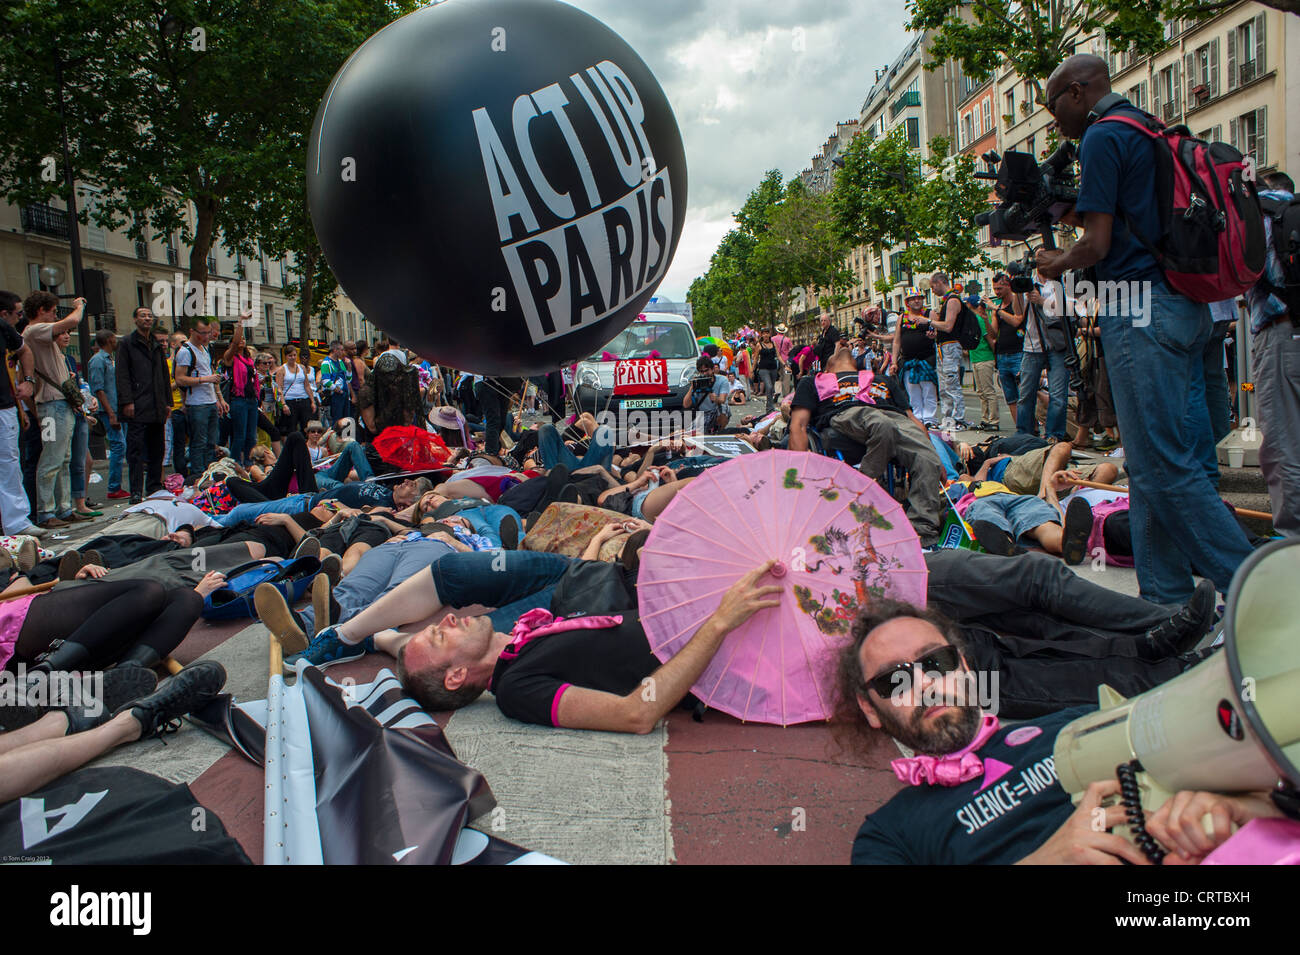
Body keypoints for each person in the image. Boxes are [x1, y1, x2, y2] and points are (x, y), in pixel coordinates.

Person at [1036, 53, 1254, 602]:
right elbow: (1133, 220)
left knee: (1162, 468)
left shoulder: (1102, 136)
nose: (1053, 120)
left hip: (1138, 307)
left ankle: (1262, 596)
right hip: (1183, 306)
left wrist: (1055, 262)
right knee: (1155, 466)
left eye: (1053, 106)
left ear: (1078, 91)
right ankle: (1166, 603)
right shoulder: (1146, 127)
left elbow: (1097, 244)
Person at [839, 599, 1277, 864]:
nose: (926, 684)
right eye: (894, 680)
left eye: (937, 662)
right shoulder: (890, 834)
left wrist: (1232, 811)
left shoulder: (1078, 722)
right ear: (869, 709)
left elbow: (1274, 795)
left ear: (966, 667)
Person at [290, 550, 782, 731]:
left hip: (583, 579)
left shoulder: (512, 646)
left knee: (454, 570)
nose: (446, 621)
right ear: (458, 676)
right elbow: (636, 714)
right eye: (439, 634)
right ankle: (378, 637)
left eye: (436, 627)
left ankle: (357, 634)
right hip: (665, 614)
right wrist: (719, 622)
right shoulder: (517, 689)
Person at [789, 342, 946, 546]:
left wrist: (935, 457)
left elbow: (913, 420)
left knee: (927, 460)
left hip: (894, 417)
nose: (842, 348)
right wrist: (798, 476)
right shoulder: (814, 381)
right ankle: (861, 489)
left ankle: (922, 533)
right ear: (827, 368)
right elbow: (798, 425)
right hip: (847, 413)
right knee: (882, 425)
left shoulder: (882, 379)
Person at [1248, 171, 1299, 536]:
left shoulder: (1257, 217)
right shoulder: (1293, 211)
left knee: (1284, 446)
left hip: (1281, 333)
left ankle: (1292, 547)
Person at [21, 292, 86, 528]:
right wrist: (79, 305)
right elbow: (73, 321)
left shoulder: (38, 335)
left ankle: (64, 508)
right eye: (53, 311)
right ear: (41, 310)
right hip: (50, 404)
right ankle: (46, 512)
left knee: (64, 458)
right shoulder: (34, 331)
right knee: (51, 459)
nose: (55, 316)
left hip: (57, 404)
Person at [116, 306, 172, 503]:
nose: (147, 319)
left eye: (149, 316)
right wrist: (127, 401)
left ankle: (154, 486)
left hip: (157, 404)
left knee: (158, 448)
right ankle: (136, 490)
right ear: (135, 319)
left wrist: (167, 401)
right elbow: (122, 374)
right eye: (143, 316)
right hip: (138, 404)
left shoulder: (156, 344)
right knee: (136, 451)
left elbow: (164, 375)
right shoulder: (126, 343)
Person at [0, 291, 42, 538]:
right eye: (18, 314)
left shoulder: (3, 328)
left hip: (3, 406)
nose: (20, 318)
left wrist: (28, 381)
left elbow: (25, 351)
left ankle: (16, 523)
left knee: (9, 463)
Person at [173, 317, 226, 482]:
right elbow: (180, 379)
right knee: (199, 442)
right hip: (196, 403)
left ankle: (210, 473)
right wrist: (205, 380)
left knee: (211, 442)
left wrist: (218, 398)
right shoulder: (185, 351)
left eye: (208, 332)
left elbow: (211, 374)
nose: (206, 336)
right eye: (202, 333)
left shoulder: (205, 348)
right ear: (192, 331)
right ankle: (197, 476)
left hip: (209, 401)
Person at [58, 331, 100, 521]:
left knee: (83, 461)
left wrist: (89, 405)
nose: (67, 336)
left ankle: (80, 503)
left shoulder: (69, 359)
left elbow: (78, 388)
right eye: (62, 333)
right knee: (64, 462)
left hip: (78, 414)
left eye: (68, 333)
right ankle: (64, 506)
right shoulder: (50, 359)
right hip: (62, 414)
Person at [888, 288, 939, 426]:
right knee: (912, 392)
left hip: (926, 360)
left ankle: (930, 420)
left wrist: (934, 336)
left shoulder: (930, 314)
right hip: (908, 361)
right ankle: (918, 420)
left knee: (929, 390)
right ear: (908, 302)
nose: (917, 301)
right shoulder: (902, 318)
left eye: (919, 298)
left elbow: (940, 333)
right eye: (913, 299)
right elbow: (897, 341)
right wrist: (894, 362)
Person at [88, 329, 128, 500]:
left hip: (117, 408)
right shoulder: (98, 360)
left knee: (121, 445)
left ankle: (116, 486)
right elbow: (99, 389)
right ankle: (113, 488)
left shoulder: (110, 359)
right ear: (110, 340)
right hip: (109, 410)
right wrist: (111, 413)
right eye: (114, 338)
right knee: (118, 445)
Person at [927, 273, 968, 428]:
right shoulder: (946, 301)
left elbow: (948, 326)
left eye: (932, 286)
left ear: (940, 282)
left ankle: (958, 418)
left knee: (951, 384)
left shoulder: (953, 300)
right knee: (944, 385)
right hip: (943, 346)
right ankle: (948, 418)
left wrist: (929, 321)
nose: (932, 290)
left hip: (951, 346)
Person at [220, 312, 260, 467]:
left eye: (244, 338)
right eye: (239, 339)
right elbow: (236, 343)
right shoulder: (230, 358)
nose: (242, 340)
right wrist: (241, 322)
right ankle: (235, 463)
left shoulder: (249, 360)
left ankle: (249, 463)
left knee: (251, 436)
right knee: (239, 436)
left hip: (251, 400)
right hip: (238, 400)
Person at [988, 272, 1026, 425]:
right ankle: (1020, 428)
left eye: (999, 289)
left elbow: (1017, 321)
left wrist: (997, 311)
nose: (997, 292)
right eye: (995, 289)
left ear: (1008, 286)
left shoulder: (1017, 303)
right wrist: (985, 318)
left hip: (1018, 353)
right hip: (1002, 356)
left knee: (1024, 394)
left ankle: (1031, 427)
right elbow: (993, 333)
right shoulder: (997, 308)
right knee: (1011, 397)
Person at [966, 282, 1000, 431]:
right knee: (981, 392)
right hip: (976, 357)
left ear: (970, 305)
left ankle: (994, 420)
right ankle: (985, 419)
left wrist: (995, 357)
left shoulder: (979, 319)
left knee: (988, 391)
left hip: (984, 357)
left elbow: (989, 338)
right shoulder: (973, 319)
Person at [682, 356, 731, 434]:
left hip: (716, 410)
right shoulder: (698, 382)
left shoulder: (722, 380)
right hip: (704, 414)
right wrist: (692, 387)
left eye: (706, 370)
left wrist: (716, 398)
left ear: (712, 369)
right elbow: (686, 404)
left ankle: (720, 432)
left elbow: (722, 400)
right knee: (691, 433)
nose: (705, 374)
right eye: (702, 371)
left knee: (724, 407)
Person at [275, 344, 316, 435]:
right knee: (291, 429)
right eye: (290, 356)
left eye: (294, 355)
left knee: (307, 427)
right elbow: (279, 389)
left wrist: (312, 401)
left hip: (304, 399)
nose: (293, 358)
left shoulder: (302, 368)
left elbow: (307, 385)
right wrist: (283, 404)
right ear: (286, 356)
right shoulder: (282, 370)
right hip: (290, 400)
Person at [318, 339, 353, 428]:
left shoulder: (340, 362)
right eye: (341, 350)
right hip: (335, 396)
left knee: (346, 420)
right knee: (337, 421)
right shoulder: (326, 363)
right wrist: (338, 390)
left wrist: (349, 367)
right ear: (335, 350)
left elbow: (348, 379)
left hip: (344, 395)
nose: (343, 352)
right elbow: (325, 381)